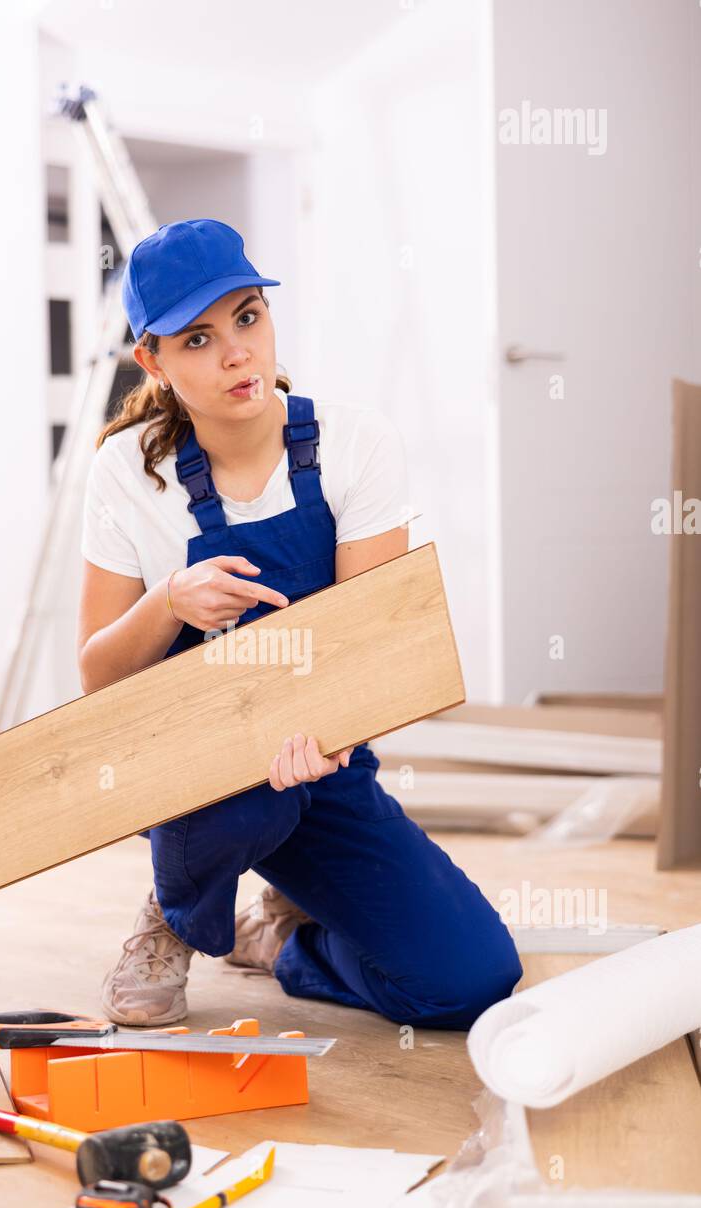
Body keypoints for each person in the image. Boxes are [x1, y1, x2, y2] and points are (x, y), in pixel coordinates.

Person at [78, 218, 522, 1029]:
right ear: (153, 360)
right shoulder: (126, 471)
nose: (238, 354)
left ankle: (284, 939)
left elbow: (372, 648)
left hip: (321, 761)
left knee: (472, 981)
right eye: (199, 339)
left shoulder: (354, 443)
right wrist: (167, 599)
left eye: (248, 319)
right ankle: (175, 914)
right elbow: (100, 674)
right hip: (194, 774)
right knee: (248, 807)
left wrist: (336, 734)